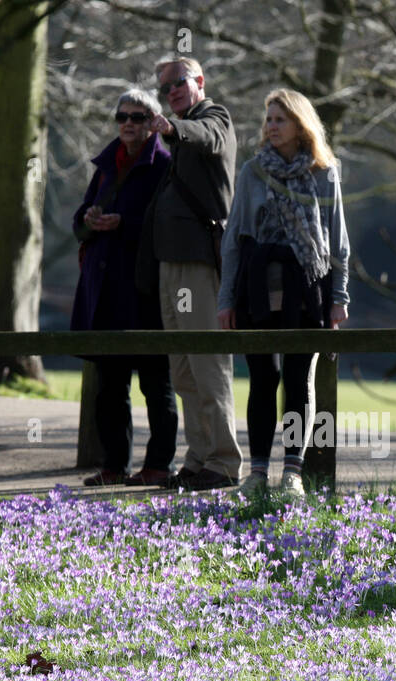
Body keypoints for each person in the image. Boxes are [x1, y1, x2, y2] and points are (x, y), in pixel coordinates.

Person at [215, 89, 350, 498]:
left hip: (308, 289)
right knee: (263, 377)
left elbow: (337, 242)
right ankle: (256, 474)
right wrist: (226, 300)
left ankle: (292, 473)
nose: (271, 126)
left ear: (300, 124)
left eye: (280, 119)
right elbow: (234, 241)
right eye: (268, 119)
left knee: (297, 378)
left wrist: (339, 297)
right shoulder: (252, 173)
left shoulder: (325, 173)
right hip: (256, 290)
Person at [143, 56, 242, 491]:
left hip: (200, 264)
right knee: (183, 371)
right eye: (165, 88)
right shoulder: (181, 133)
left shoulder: (212, 117)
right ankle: (199, 459)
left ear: (199, 81)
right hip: (172, 263)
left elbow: (210, 138)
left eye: (178, 83)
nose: (171, 92)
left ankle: (223, 463)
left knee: (208, 366)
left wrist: (171, 129)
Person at [70, 89, 178, 487]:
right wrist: (91, 218)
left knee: (156, 384)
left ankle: (158, 466)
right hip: (105, 294)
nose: (128, 123)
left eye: (137, 116)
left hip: (145, 291)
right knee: (109, 389)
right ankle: (114, 467)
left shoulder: (165, 165)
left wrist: (124, 225)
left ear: (153, 122)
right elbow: (78, 220)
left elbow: (166, 227)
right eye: (122, 116)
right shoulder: (104, 166)